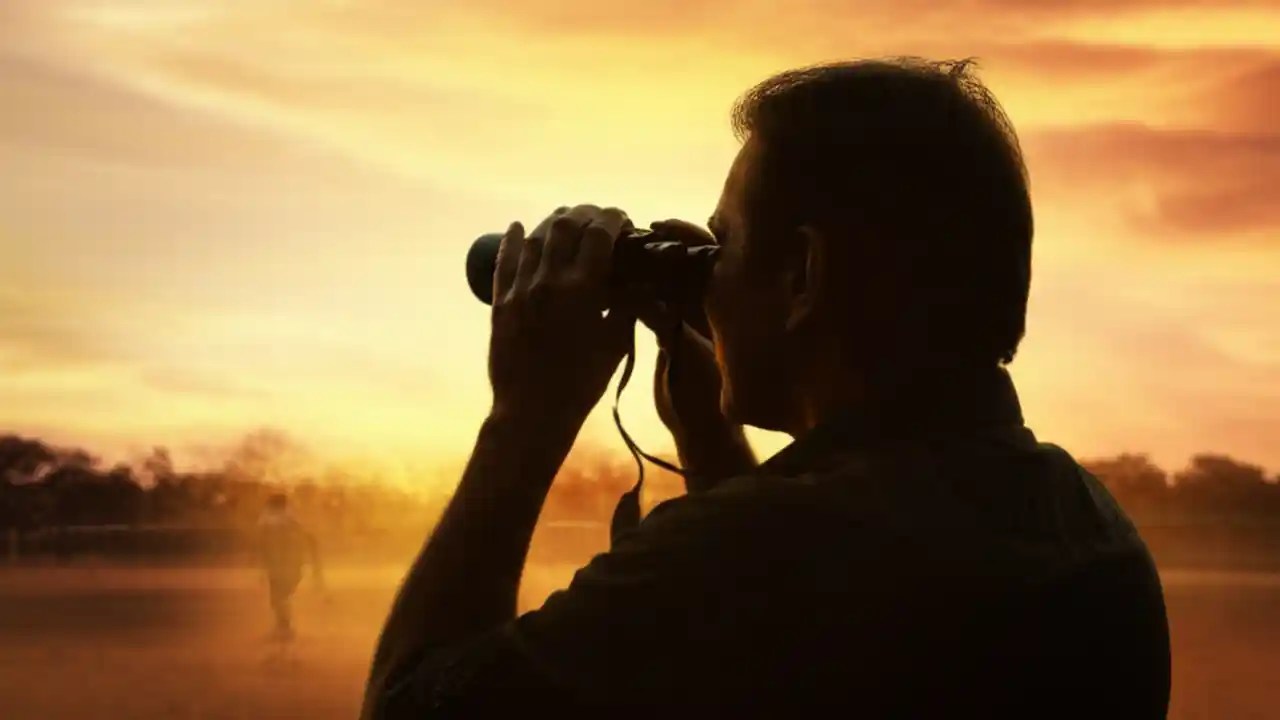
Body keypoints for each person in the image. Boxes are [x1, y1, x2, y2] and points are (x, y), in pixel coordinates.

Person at [360, 58, 1171, 717]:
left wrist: (524, 419)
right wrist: (709, 434)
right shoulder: (1094, 534)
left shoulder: (753, 556)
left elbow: (407, 706)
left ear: (803, 276)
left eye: (723, 248)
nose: (707, 287)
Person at [257, 492, 322, 642]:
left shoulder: (270, 520)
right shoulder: (290, 519)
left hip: (281, 565)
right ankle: (284, 627)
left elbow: (263, 544)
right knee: (281, 597)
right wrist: (314, 564)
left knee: (279, 597)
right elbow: (310, 539)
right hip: (291, 564)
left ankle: (284, 628)